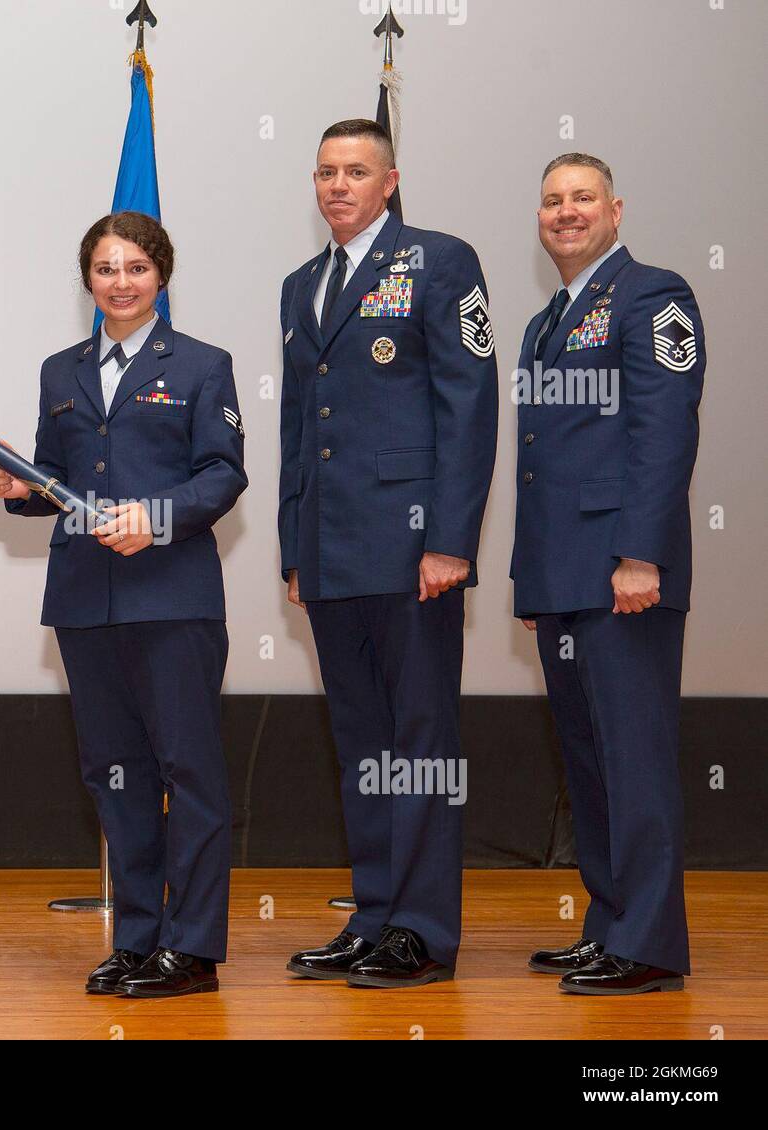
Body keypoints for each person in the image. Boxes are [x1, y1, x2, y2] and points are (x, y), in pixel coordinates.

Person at [0, 212, 247, 998]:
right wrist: (18, 492)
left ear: (161, 275)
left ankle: (192, 948)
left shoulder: (202, 365)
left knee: (187, 770)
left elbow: (222, 475)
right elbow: (55, 479)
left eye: (135, 268)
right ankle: (137, 938)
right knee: (115, 773)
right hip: (84, 599)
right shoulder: (59, 371)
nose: (120, 282)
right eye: (105, 269)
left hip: (172, 596)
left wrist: (155, 516)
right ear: (87, 280)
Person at [280, 120, 497, 988]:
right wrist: (297, 547)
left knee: (420, 741)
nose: (339, 186)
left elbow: (469, 407)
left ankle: (423, 930)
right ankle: (373, 915)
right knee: (361, 740)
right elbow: (303, 428)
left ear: (390, 180)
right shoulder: (303, 284)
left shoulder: (440, 261)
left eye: (356, 172)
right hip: (332, 555)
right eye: (327, 172)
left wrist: (449, 541)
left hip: (413, 552)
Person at [513, 153, 704, 995]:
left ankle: (652, 944)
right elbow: (537, 461)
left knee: (635, 762)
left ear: (616, 210)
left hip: (625, 573)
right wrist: (532, 578)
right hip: (564, 578)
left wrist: (640, 554)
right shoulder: (545, 320)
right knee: (588, 762)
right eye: (553, 200)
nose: (566, 212)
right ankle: (610, 924)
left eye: (582, 198)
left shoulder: (654, 295)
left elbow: (663, 434)